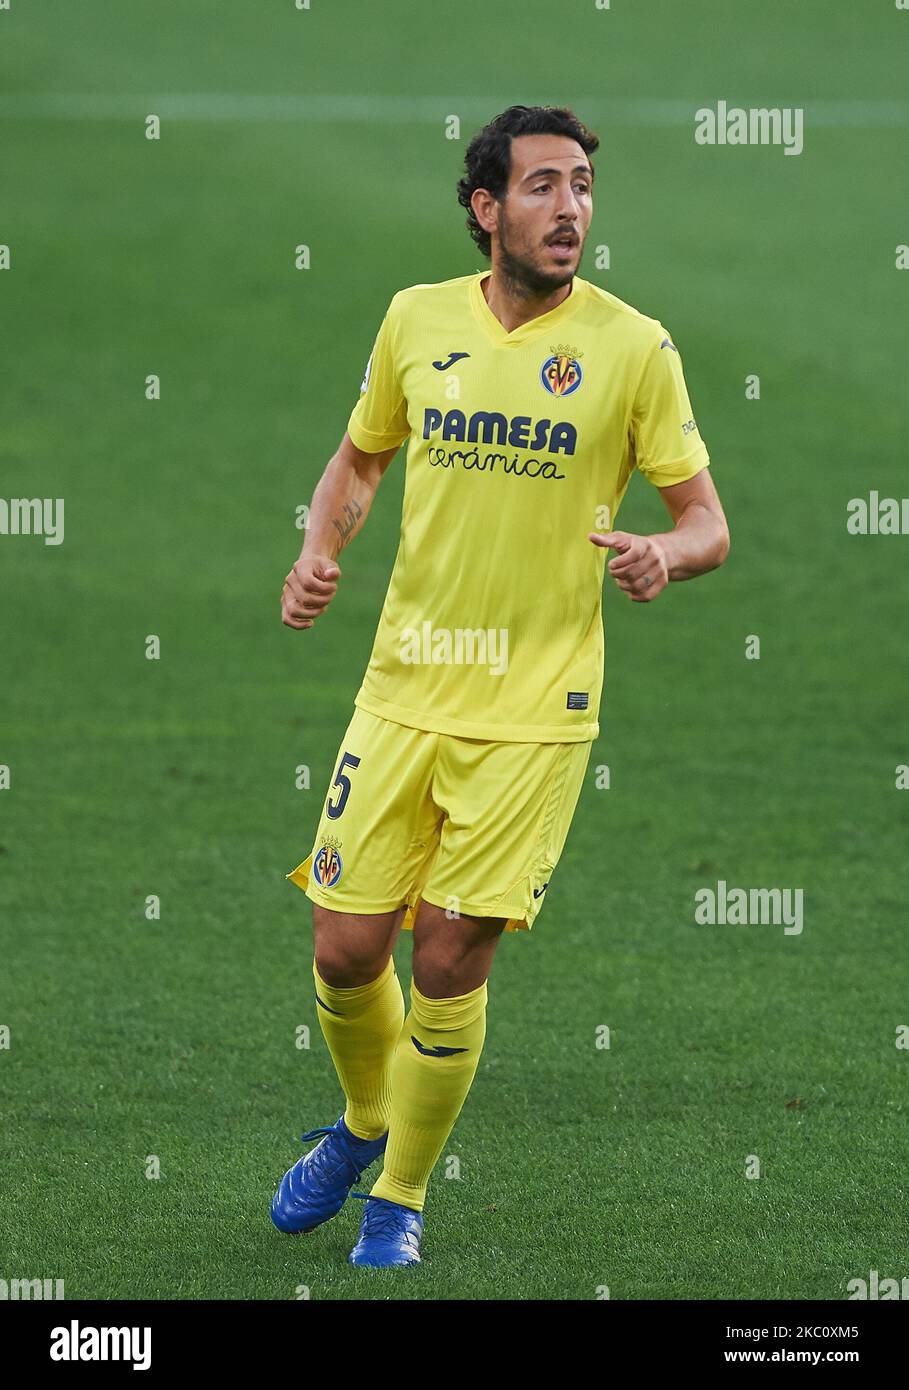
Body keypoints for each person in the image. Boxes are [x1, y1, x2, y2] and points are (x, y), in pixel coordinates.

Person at [272, 104, 730, 1268]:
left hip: (535, 710)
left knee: (449, 954)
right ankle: (365, 1122)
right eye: (541, 187)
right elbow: (361, 456)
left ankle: (400, 1198)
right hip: (405, 686)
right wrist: (321, 546)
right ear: (487, 209)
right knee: (342, 945)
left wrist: (658, 555)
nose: (569, 208)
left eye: (581, 185)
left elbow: (706, 523)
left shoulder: (635, 348)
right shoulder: (415, 320)